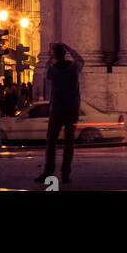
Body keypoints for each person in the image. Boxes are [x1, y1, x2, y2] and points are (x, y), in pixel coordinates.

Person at [36, 42, 85, 185]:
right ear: (65, 53)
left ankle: (48, 172)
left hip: (57, 109)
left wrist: (50, 58)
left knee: (51, 142)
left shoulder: (52, 69)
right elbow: (80, 60)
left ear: (54, 54)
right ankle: (65, 174)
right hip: (72, 108)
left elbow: (45, 75)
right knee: (69, 143)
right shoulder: (73, 68)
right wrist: (70, 48)